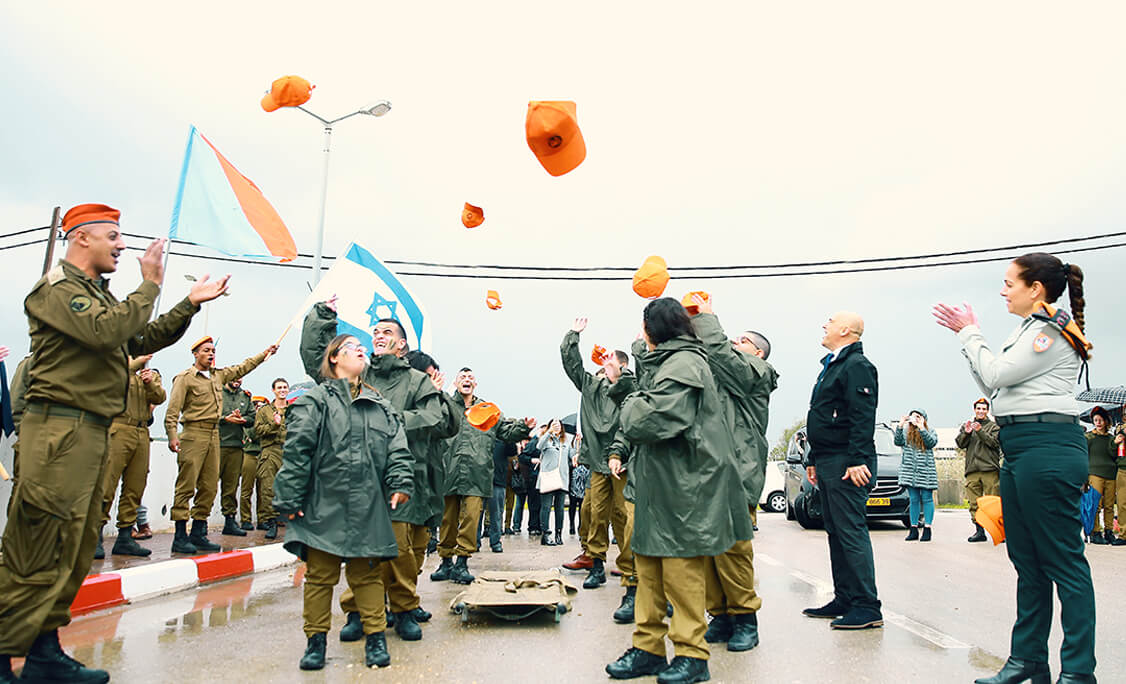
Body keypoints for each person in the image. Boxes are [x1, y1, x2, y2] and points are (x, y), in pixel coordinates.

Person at [0, 203, 226, 684]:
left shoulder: (96, 296)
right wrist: (151, 284)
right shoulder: (57, 290)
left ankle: (43, 651)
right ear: (81, 238)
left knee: (76, 545)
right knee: (38, 543)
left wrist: (189, 304)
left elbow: (138, 334)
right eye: (113, 236)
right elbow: (108, 331)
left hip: (88, 430)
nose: (122, 245)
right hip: (58, 431)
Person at [934, 252, 1097, 684]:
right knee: (1027, 561)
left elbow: (998, 372)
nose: (1003, 291)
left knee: (1064, 561)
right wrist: (970, 342)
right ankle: (1028, 661)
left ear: (1035, 289)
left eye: (1009, 283)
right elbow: (993, 382)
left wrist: (970, 332)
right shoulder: (1027, 329)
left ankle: (1079, 671)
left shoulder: (1051, 330)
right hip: (1020, 444)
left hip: (1049, 445)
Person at [605, 298, 751, 684]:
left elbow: (650, 420)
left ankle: (691, 654)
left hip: (685, 486)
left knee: (682, 573)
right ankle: (648, 648)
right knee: (649, 569)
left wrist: (631, 397)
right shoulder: (666, 364)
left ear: (654, 330)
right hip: (660, 485)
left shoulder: (685, 363)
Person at [301, 303, 451, 642]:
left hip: (401, 475)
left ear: (401, 345)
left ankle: (403, 610)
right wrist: (323, 316)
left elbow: (433, 418)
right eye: (376, 332)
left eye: (387, 332)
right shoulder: (356, 374)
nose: (379, 336)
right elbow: (316, 359)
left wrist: (390, 421)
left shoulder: (416, 382)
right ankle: (357, 612)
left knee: (397, 550)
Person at [273, 334, 413, 671]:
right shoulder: (316, 400)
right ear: (334, 357)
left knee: (367, 575)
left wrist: (401, 481)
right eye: (353, 347)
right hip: (324, 501)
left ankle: (376, 639)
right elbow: (298, 449)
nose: (362, 350)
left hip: (367, 503)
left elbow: (398, 447)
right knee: (320, 576)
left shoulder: (379, 404)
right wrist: (290, 495)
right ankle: (316, 642)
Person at [689, 295, 778, 653]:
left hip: (737, 470)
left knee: (732, 548)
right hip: (707, 471)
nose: (733, 343)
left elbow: (723, 355)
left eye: (742, 340)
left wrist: (710, 318)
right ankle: (721, 614)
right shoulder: (720, 375)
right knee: (708, 547)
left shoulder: (758, 374)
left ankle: (745, 617)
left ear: (757, 352)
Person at [801, 311, 883, 631]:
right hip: (828, 459)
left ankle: (866, 605)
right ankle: (846, 598)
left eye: (831, 321)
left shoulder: (857, 366)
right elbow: (821, 418)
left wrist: (858, 460)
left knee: (851, 532)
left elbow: (862, 416)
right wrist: (812, 458)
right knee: (835, 530)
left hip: (847, 461)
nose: (825, 324)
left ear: (846, 330)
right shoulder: (832, 364)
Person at [166, 337, 276, 554]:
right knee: (187, 484)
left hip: (214, 435)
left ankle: (198, 532)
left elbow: (243, 366)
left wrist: (264, 354)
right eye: (206, 350)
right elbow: (173, 410)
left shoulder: (218, 376)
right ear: (195, 353)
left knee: (208, 486)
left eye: (213, 350)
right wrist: (172, 435)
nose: (211, 354)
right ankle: (180, 535)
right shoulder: (185, 378)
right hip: (193, 433)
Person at [561, 318, 639, 615]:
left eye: (610, 362)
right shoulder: (592, 386)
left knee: (624, 514)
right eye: (603, 363)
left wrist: (620, 371)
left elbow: (631, 388)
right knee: (593, 512)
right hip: (596, 460)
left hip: (623, 461)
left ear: (622, 365)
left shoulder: (628, 389)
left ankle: (629, 567)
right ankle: (595, 564)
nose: (604, 365)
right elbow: (573, 367)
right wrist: (573, 337)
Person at [431, 368, 532, 585]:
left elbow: (506, 432)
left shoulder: (487, 409)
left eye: (470, 378)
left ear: (475, 384)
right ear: (456, 383)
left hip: (477, 473)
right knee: (447, 520)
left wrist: (523, 427)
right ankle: (446, 561)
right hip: (450, 471)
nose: (466, 380)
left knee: (471, 519)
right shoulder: (446, 406)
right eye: (462, 377)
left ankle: (462, 563)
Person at [96, 355, 165, 559]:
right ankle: (94, 537)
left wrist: (149, 383)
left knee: (135, 486)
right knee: (106, 484)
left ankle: (125, 536)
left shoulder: (150, 374)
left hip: (142, 431)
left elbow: (159, 397)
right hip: (118, 428)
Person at [956, 398, 1002, 542]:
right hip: (972, 470)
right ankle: (979, 530)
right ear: (974, 410)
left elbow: (994, 443)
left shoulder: (994, 427)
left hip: (989, 469)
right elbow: (960, 443)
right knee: (974, 502)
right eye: (978, 409)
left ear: (987, 411)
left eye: (983, 409)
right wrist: (967, 432)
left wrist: (980, 431)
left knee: (993, 502)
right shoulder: (967, 425)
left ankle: (998, 532)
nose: (981, 411)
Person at [254, 378, 290, 541]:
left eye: (284, 387)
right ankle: (271, 522)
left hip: (289, 452)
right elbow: (258, 430)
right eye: (279, 388)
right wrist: (274, 425)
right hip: (271, 451)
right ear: (274, 390)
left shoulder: (294, 410)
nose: (282, 390)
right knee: (268, 488)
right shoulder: (265, 411)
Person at [895, 410, 939, 542]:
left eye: (918, 417)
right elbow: (898, 442)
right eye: (913, 416)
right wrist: (900, 425)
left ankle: (927, 528)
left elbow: (931, 443)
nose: (915, 419)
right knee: (913, 499)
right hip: (909, 470)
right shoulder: (905, 432)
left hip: (925, 470)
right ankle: (913, 529)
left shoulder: (930, 431)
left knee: (927, 498)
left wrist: (921, 428)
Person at [218, 377, 253, 537]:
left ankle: (230, 520)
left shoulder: (244, 397)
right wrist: (225, 419)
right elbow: (207, 414)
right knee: (208, 486)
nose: (237, 380)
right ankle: (200, 523)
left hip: (236, 447)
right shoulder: (217, 393)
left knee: (231, 487)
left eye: (240, 377)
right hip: (217, 445)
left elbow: (252, 417)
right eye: (234, 377)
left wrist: (243, 419)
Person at [534, 419, 572, 546]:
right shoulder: (546, 441)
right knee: (545, 507)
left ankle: (558, 534)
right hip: (548, 478)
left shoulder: (566, 442)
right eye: (554, 424)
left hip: (562, 479)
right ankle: (545, 534)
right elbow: (538, 446)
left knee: (560, 508)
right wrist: (549, 432)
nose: (556, 426)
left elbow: (573, 456)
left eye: (558, 425)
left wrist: (578, 444)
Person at [1085, 406, 1119, 545]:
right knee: (1096, 505)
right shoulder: (1089, 437)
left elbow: (1114, 455)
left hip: (1111, 474)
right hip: (1095, 474)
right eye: (1095, 420)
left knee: (1110, 505)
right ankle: (1095, 532)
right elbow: (1083, 455)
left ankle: (1109, 531)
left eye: (1100, 420)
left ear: (1106, 421)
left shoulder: (1111, 438)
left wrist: (1115, 443)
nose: (1098, 423)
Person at [240, 395, 268, 530]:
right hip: (249, 455)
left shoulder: (268, 418)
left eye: (261, 406)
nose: (258, 407)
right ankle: (245, 519)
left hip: (263, 455)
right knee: (246, 489)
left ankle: (263, 519)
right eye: (255, 405)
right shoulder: (249, 420)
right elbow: (253, 434)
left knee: (263, 490)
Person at [569, 451, 591, 535]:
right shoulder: (572, 444)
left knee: (582, 506)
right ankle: (572, 525)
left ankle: (581, 525)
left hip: (584, 480)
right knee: (573, 505)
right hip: (574, 481)